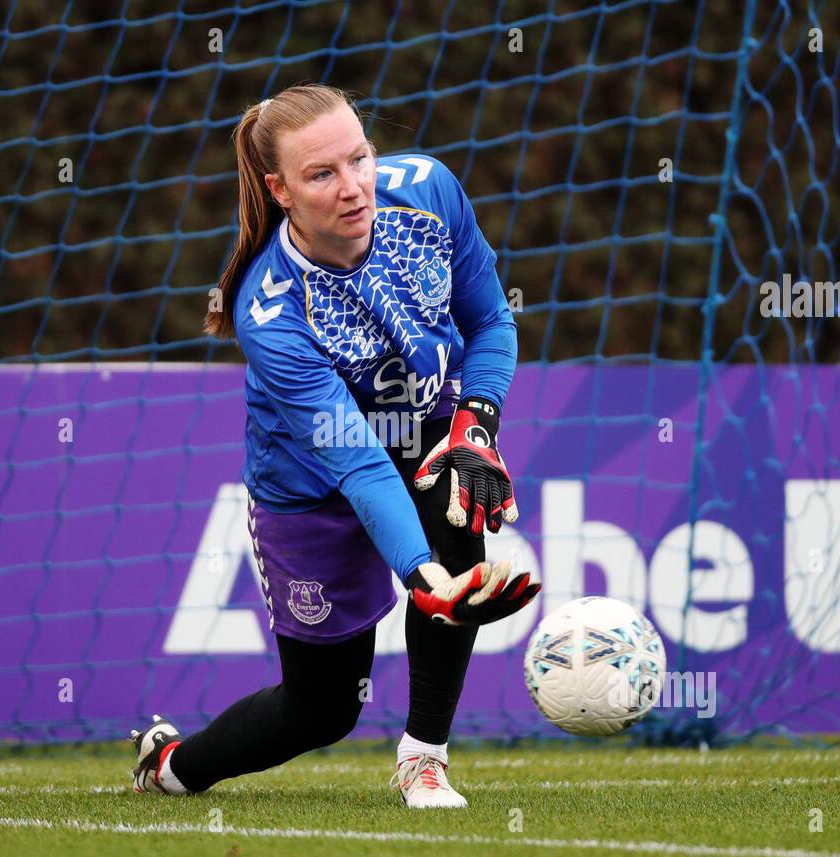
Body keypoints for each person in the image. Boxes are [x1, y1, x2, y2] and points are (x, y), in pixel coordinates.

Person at [131, 83, 539, 808]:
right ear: (279, 189)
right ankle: (171, 766)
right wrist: (419, 575)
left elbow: (492, 324)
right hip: (310, 485)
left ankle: (425, 758)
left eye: (360, 158)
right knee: (323, 710)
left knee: (458, 504)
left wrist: (474, 424)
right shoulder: (270, 310)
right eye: (323, 175)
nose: (354, 188)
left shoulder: (429, 191)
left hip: (420, 428)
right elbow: (352, 458)